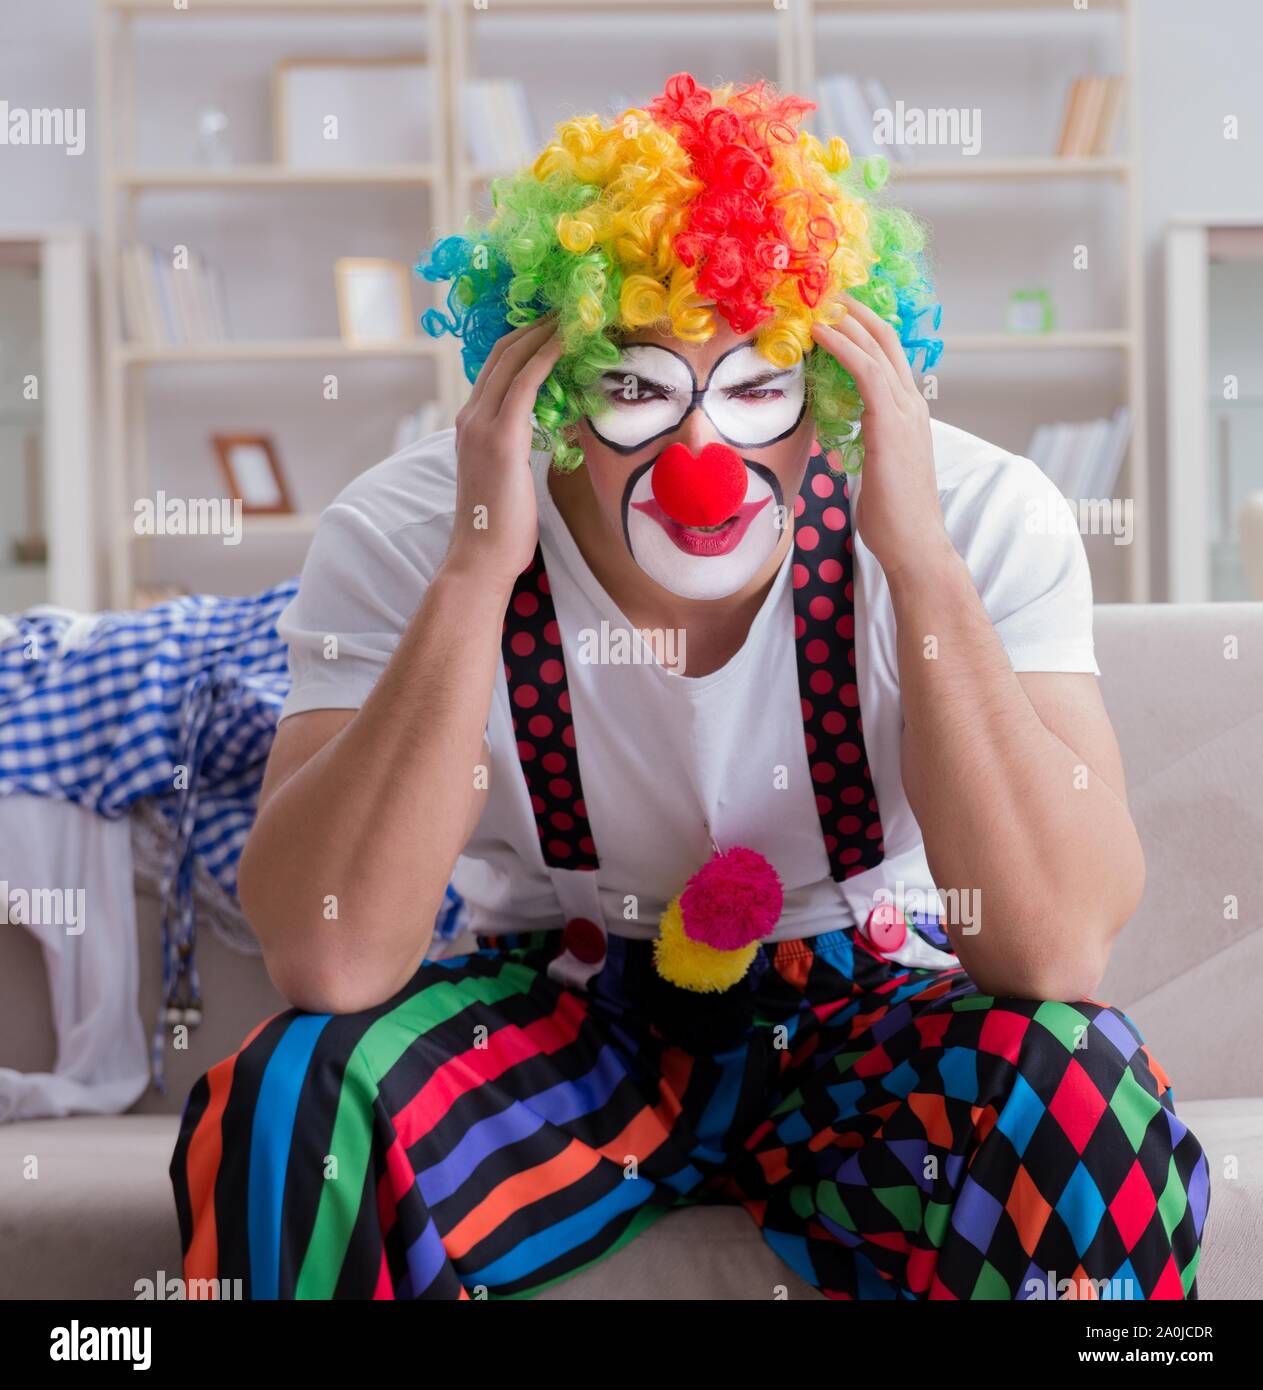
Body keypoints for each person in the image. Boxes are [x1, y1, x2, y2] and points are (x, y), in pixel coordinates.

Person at [170, 73, 1208, 1300]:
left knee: (1083, 1085)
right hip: (563, 1019)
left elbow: (1057, 946)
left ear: (835, 385)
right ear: (547, 386)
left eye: (761, 384)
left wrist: (919, 561)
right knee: (294, 1095)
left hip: (865, 1019)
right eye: (636, 389)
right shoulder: (406, 533)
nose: (703, 464)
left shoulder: (977, 516)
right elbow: (328, 961)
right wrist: (476, 569)